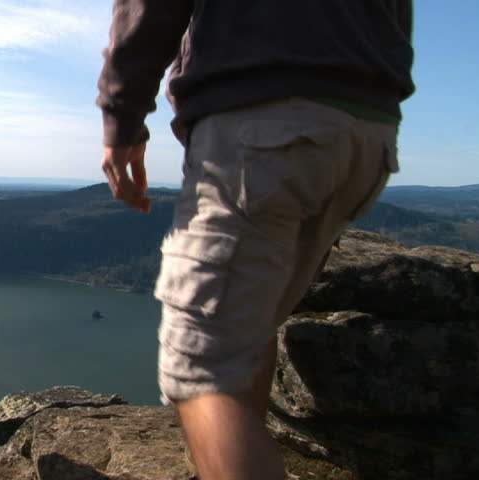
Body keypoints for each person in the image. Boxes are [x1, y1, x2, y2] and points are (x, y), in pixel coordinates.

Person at [96, 2, 414, 479]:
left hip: (264, 121)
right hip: (370, 130)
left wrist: (122, 117)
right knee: (250, 326)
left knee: (198, 371)